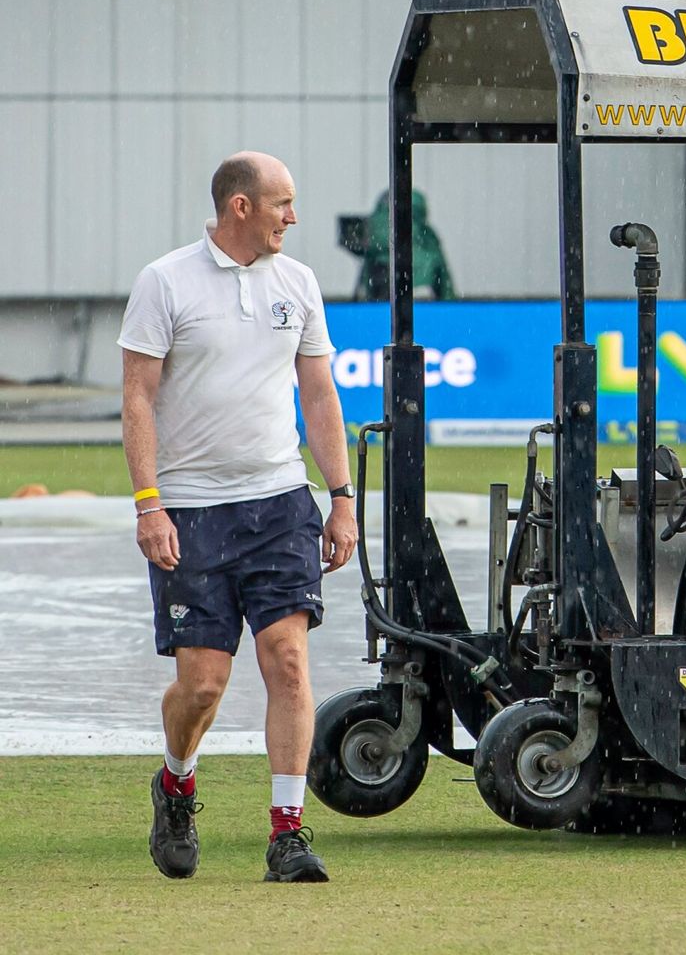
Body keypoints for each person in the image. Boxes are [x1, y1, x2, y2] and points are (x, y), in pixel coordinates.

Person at [121, 152, 356, 884]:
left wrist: (342, 496)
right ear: (241, 207)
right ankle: (176, 782)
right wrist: (149, 504)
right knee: (203, 685)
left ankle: (287, 834)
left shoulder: (300, 282)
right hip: (190, 511)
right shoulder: (165, 281)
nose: (294, 216)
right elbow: (136, 397)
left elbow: (318, 394)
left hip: (280, 502)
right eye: (283, 203)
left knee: (287, 660)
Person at [352, 189, 456, 301]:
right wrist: (449, 302)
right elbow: (443, 275)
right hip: (420, 295)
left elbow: (365, 272)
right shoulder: (425, 232)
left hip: (378, 297)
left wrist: (361, 297)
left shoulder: (371, 232)